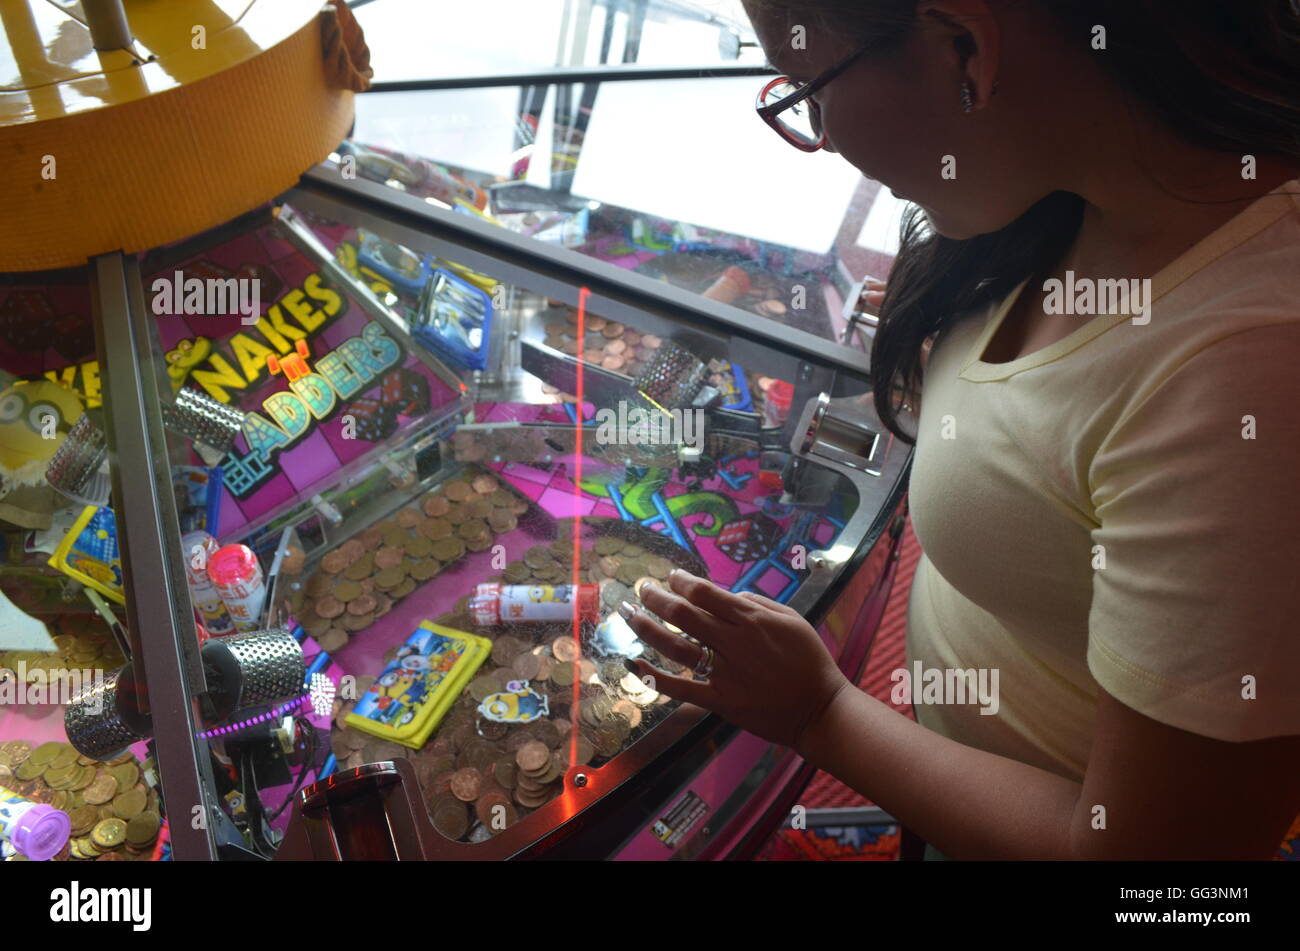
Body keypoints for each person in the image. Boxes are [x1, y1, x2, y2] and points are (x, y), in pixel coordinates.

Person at [619, 0, 1300, 860]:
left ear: (965, 48)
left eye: (809, 91)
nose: (821, 137)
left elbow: (1165, 878)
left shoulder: (1257, 375)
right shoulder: (1072, 186)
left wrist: (818, 712)